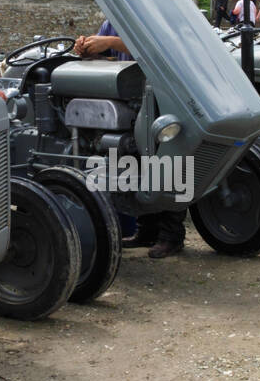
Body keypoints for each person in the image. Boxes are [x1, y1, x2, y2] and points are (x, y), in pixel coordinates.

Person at [74, 27, 185, 258]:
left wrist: (111, 42)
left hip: (160, 94)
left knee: (166, 161)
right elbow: (105, 52)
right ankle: (146, 230)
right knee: (133, 161)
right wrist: (87, 49)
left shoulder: (147, 13)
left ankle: (171, 236)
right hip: (129, 98)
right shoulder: (110, 21)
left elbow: (157, 50)